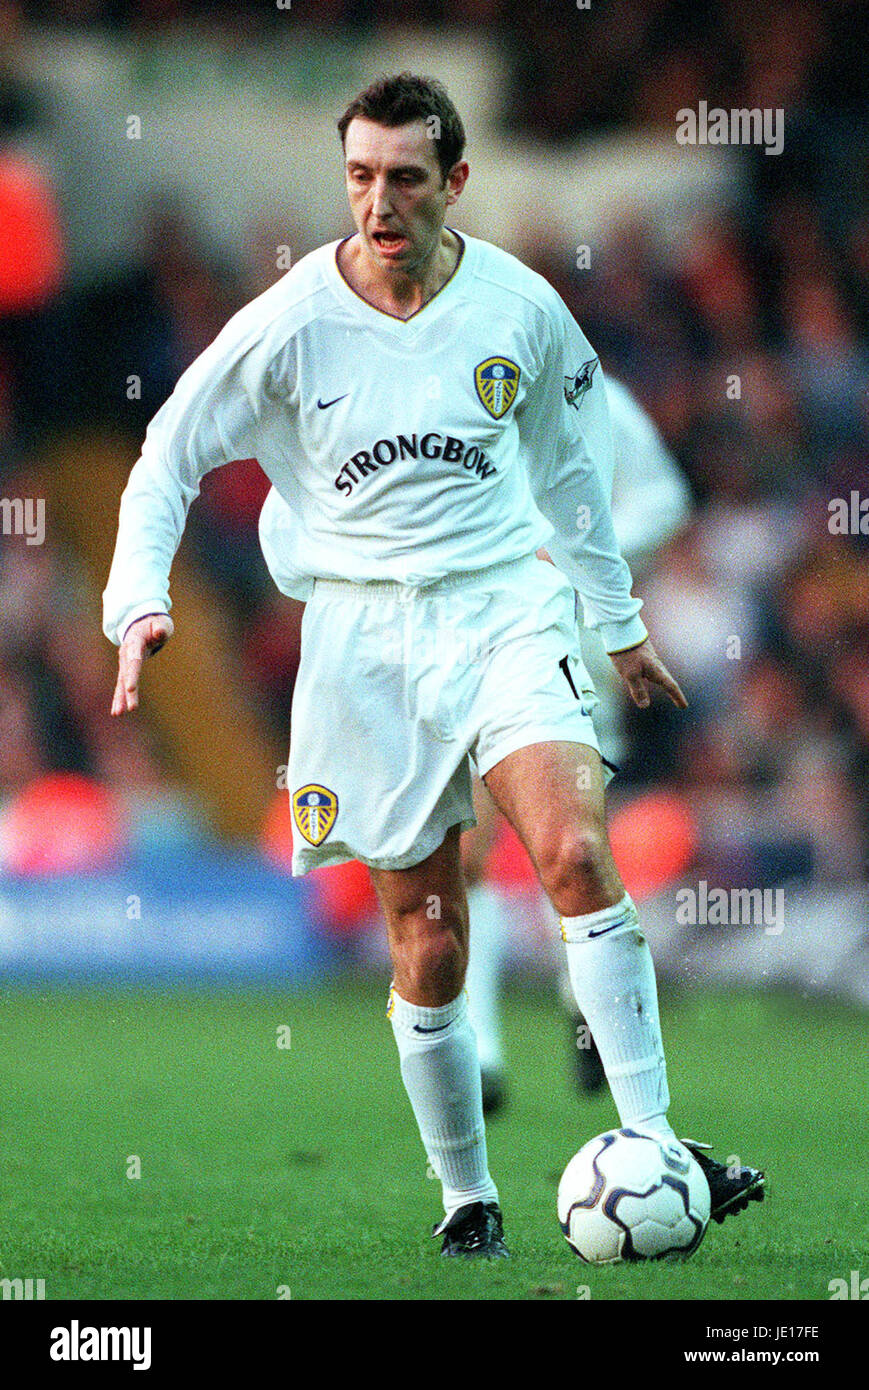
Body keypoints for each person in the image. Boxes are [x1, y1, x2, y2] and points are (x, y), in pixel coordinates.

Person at [103, 74, 764, 1259]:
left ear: (453, 182)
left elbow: (573, 477)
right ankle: (467, 1196)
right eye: (358, 176)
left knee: (569, 850)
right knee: (429, 930)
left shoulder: (519, 309)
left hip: (508, 609)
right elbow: (167, 454)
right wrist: (138, 600)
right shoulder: (292, 320)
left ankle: (659, 1141)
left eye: (404, 177)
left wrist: (614, 625)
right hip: (362, 639)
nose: (378, 202)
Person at [463, 375, 694, 1108]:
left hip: (575, 635)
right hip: (468, 632)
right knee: (468, 839)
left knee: (564, 844)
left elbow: (664, 499)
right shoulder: (438, 393)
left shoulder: (592, 398)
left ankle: (579, 993)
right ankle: (482, 1050)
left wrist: (574, 558)